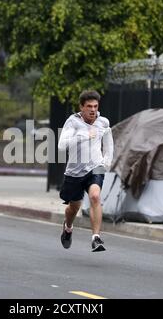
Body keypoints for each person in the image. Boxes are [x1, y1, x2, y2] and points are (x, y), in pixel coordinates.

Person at [57, 90, 114, 252]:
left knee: (95, 196)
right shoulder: (73, 122)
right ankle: (68, 227)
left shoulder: (103, 122)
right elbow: (62, 145)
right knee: (73, 208)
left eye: (95, 106)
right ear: (81, 107)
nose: (92, 110)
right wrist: (84, 135)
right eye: (89, 106)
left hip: (95, 167)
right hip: (74, 171)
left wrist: (106, 163)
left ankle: (96, 238)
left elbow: (109, 144)